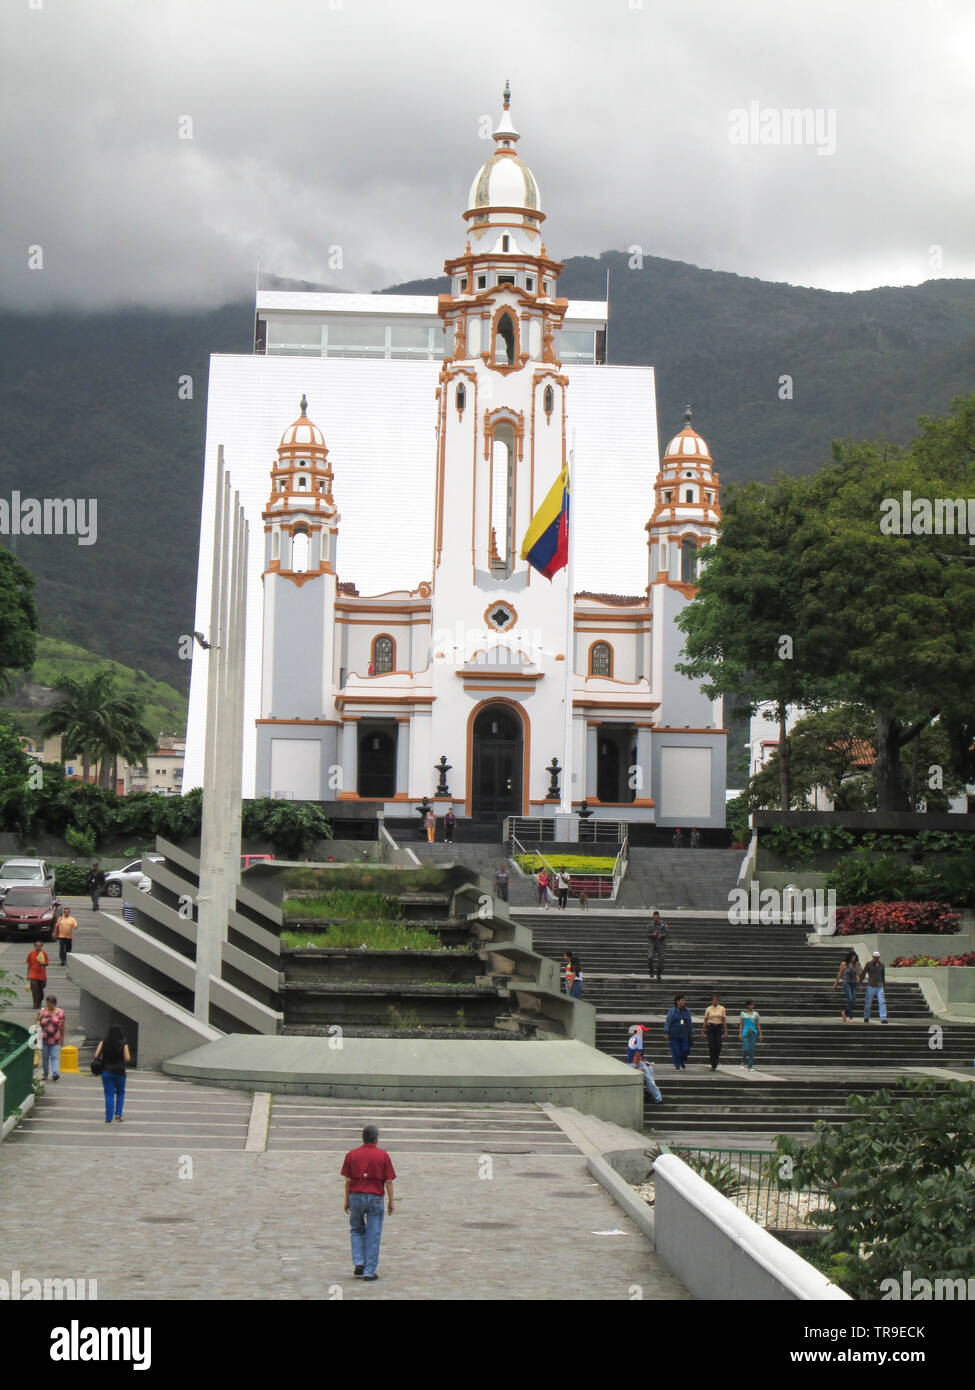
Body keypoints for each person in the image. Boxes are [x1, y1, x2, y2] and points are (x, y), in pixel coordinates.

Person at [341, 1124, 396, 1281]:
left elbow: (348, 1180)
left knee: (356, 1230)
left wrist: (346, 1200)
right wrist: (391, 1201)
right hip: (375, 1197)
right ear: (377, 1139)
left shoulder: (352, 1155)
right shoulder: (383, 1156)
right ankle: (369, 1270)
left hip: (356, 1196)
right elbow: (388, 1181)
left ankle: (359, 1262)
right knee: (374, 1233)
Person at [93, 1023, 131, 1123]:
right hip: (120, 1072)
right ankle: (118, 1114)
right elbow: (127, 1058)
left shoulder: (104, 1042)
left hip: (106, 1071)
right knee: (120, 1092)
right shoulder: (123, 1044)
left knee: (109, 1094)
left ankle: (108, 1117)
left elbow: (96, 1055)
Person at [626, 1026, 662, 1103]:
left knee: (650, 1070)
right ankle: (658, 1098)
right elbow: (637, 1053)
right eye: (644, 1031)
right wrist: (637, 1066)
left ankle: (649, 1093)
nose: (645, 1033)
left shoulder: (633, 1038)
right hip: (636, 1062)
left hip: (631, 1062)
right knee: (650, 1080)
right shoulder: (638, 1040)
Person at [38, 995, 65, 1081]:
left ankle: (55, 1073)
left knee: (54, 1056)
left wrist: (62, 1038)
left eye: (50, 1003)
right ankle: (45, 1074)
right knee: (45, 1057)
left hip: (55, 1038)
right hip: (44, 1038)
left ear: (54, 1004)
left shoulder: (60, 1012)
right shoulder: (43, 1011)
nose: (48, 1005)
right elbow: (37, 1022)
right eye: (47, 1003)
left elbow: (62, 1026)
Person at [664, 994, 693, 1070]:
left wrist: (691, 1032)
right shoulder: (672, 1011)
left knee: (685, 1049)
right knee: (675, 1050)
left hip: (684, 1034)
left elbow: (689, 1022)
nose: (684, 1002)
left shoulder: (686, 1011)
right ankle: (677, 1065)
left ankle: (682, 1060)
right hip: (674, 1034)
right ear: (677, 1002)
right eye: (682, 1000)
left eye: (684, 1000)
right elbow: (668, 1021)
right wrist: (666, 1032)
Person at [701, 993, 728, 1071]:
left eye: (716, 1000)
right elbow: (705, 1020)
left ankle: (716, 1060)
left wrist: (726, 1031)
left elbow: (724, 1020)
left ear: (718, 1001)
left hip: (718, 1027)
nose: (714, 1001)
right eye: (713, 1000)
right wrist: (702, 1031)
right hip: (711, 1027)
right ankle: (713, 1063)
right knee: (712, 1047)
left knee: (718, 1047)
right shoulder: (708, 1009)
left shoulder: (722, 1008)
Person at [833, 950, 861, 1023]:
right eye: (853, 958)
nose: (854, 959)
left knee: (853, 1000)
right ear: (850, 957)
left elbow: (857, 974)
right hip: (846, 982)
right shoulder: (844, 964)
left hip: (854, 983)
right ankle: (850, 1017)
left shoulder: (856, 965)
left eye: (855, 958)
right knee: (850, 999)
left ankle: (845, 1012)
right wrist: (835, 983)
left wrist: (859, 984)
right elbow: (839, 974)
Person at [861, 951, 888, 1023]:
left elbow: (883, 976)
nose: (876, 959)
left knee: (882, 1002)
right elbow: (863, 974)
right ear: (873, 957)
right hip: (871, 985)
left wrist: (884, 986)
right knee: (868, 1002)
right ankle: (866, 1016)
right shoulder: (868, 964)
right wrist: (860, 983)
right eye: (875, 957)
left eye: (877, 958)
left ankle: (883, 1018)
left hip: (879, 985)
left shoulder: (882, 965)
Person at [739, 1000, 763, 1070]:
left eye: (753, 1005)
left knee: (752, 1050)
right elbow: (741, 1024)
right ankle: (743, 1061)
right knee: (746, 1049)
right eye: (751, 1005)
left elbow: (758, 1024)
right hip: (745, 1032)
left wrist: (760, 1034)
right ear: (748, 1005)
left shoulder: (756, 1014)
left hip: (753, 1033)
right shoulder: (743, 1013)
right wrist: (740, 1033)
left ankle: (750, 1066)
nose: (752, 1006)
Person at [26, 941, 49, 1009]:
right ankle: (35, 1004)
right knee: (34, 990)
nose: (38, 947)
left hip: (42, 975)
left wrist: (43, 964)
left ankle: (39, 1001)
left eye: (39, 946)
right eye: (37, 946)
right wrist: (28, 975)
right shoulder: (31, 953)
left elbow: (47, 963)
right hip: (33, 975)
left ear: (41, 946)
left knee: (40, 990)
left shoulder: (44, 953)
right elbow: (29, 964)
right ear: (34, 946)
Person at [647, 911, 669, 981]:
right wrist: (652, 934)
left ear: (659, 917)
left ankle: (658, 974)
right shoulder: (650, 924)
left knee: (661, 960)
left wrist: (661, 935)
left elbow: (666, 933)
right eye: (655, 917)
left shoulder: (663, 924)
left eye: (657, 917)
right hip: (652, 943)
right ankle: (651, 971)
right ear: (653, 917)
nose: (656, 918)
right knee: (650, 957)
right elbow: (647, 934)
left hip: (661, 944)